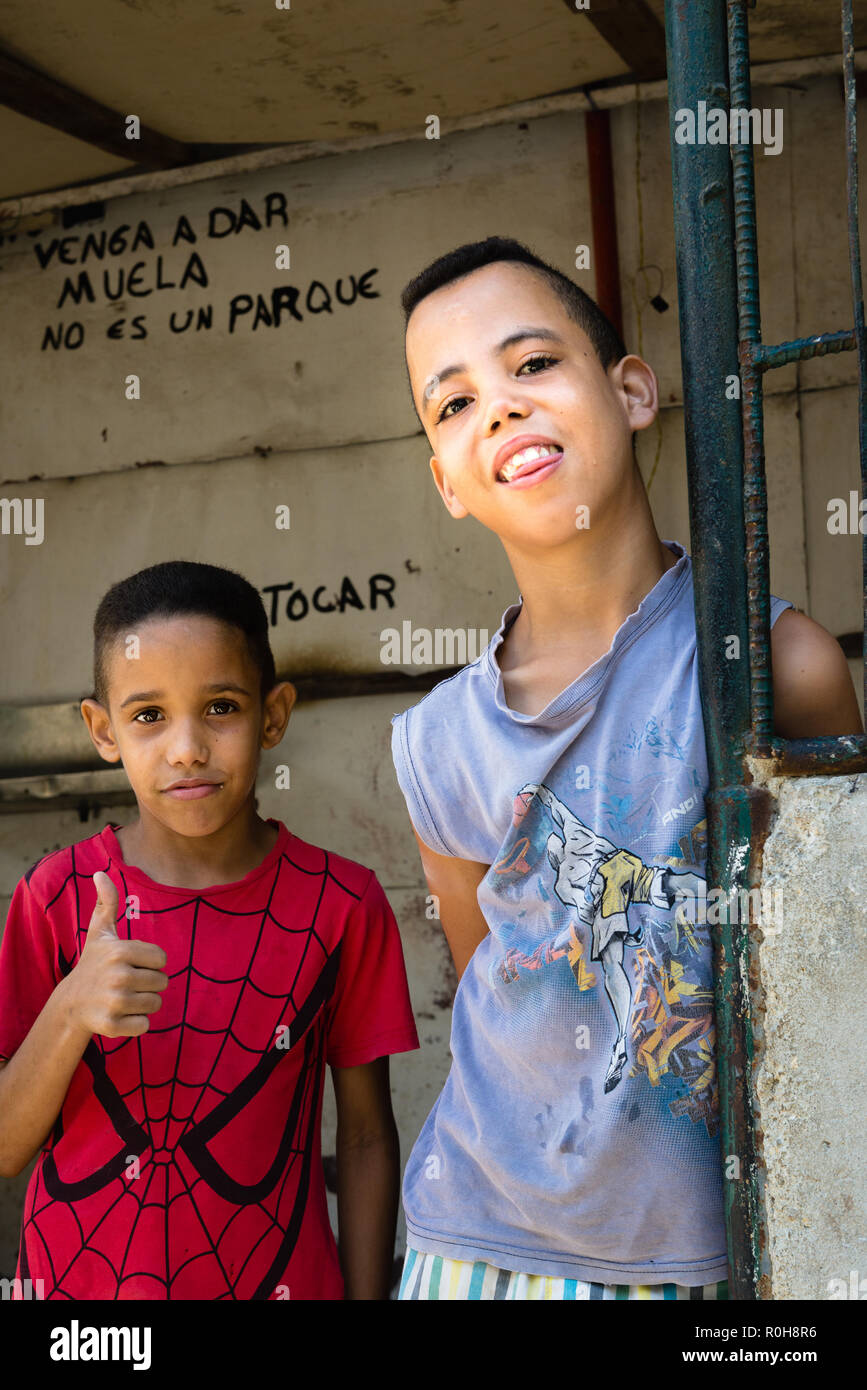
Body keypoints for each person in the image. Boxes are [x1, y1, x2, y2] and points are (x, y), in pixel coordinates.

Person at [389, 236, 862, 1301]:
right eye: (453, 404)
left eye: (532, 364)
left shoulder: (773, 667)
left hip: (716, 1260)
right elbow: (492, 981)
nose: (499, 409)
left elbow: (842, 975)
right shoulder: (437, 742)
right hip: (477, 1245)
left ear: (633, 390)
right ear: (445, 483)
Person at [0, 560, 419, 1300]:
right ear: (102, 730)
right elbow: (6, 1147)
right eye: (148, 715)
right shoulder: (54, 895)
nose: (187, 747)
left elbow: (362, 1138)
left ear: (273, 714)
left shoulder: (342, 904)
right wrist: (70, 1009)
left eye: (221, 707)